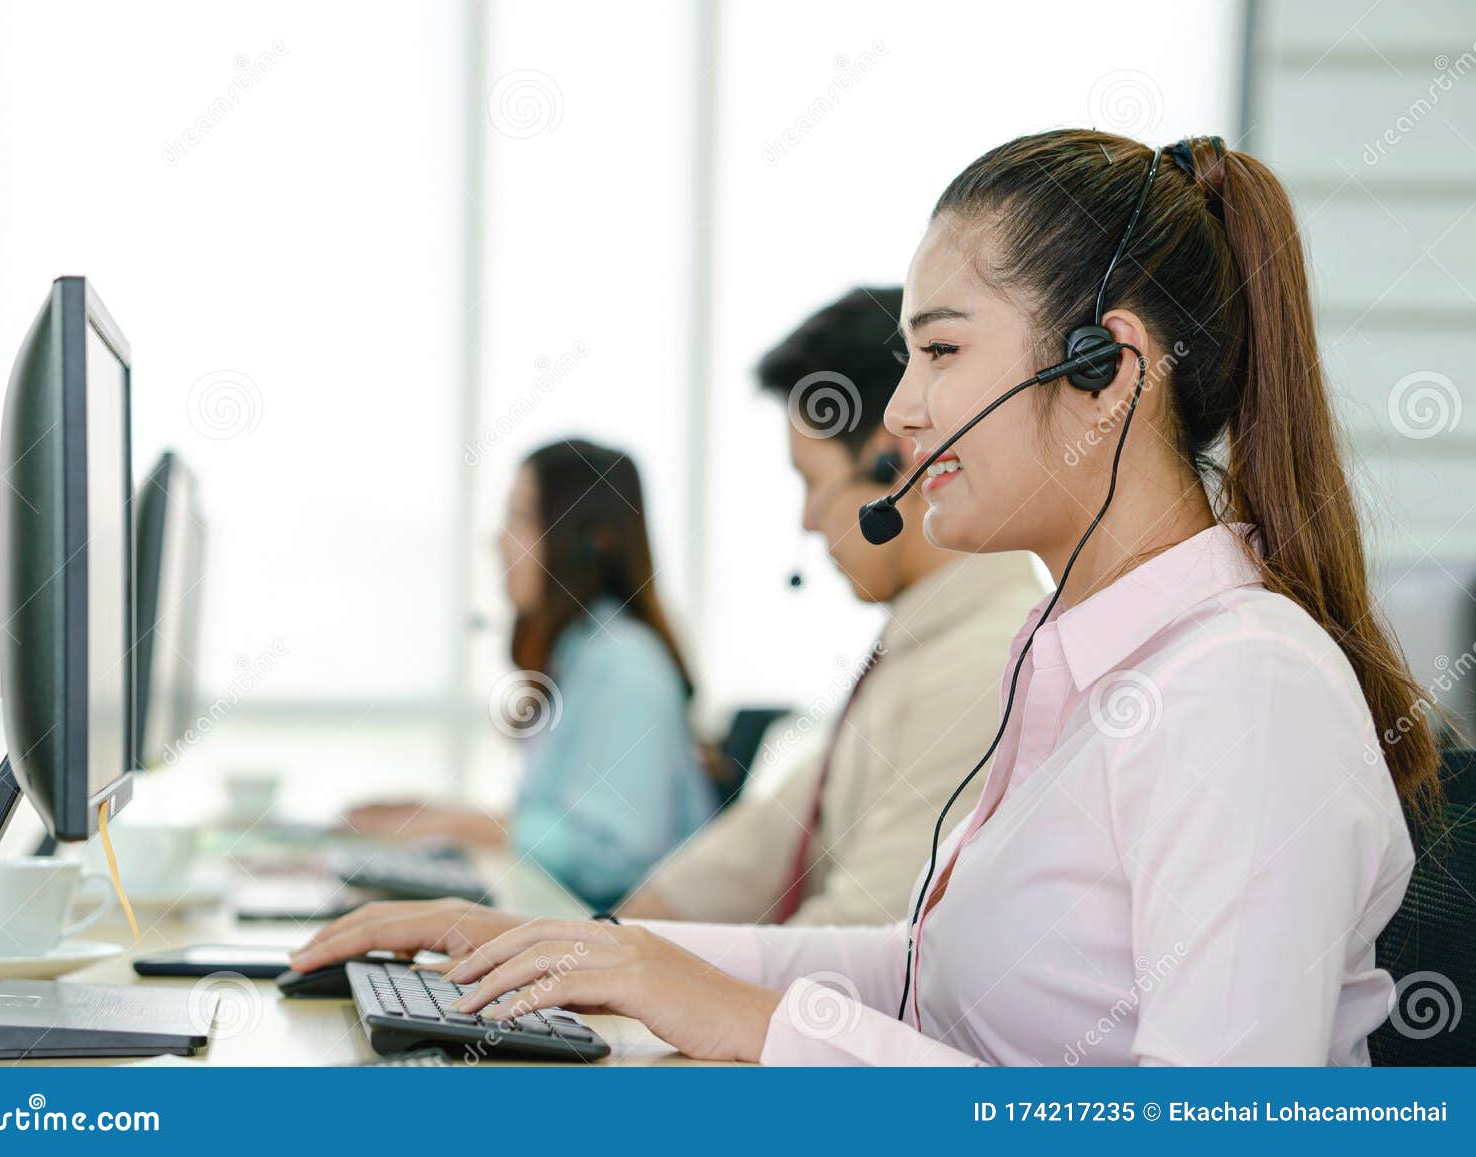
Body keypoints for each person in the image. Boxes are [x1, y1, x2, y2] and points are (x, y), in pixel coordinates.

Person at [294, 130, 1440, 1066]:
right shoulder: (1080, 662)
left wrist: (740, 1017)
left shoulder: (1240, 691)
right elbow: (922, 977)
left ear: (1107, 370)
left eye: (939, 351)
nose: (899, 413)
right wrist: (593, 952)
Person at [616, 288, 1043, 925]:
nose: (809, 520)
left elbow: (864, 939)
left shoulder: (987, 666)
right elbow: (763, 844)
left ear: (897, 461)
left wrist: (632, 968)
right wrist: (597, 941)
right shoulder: (916, 647)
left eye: (814, 482)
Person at [345, 439, 716, 912]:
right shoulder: (580, 655)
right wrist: (437, 817)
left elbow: (613, 856)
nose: (498, 541)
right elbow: (561, 822)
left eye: (520, 519)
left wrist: (458, 824)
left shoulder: (629, 669)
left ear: (588, 540)